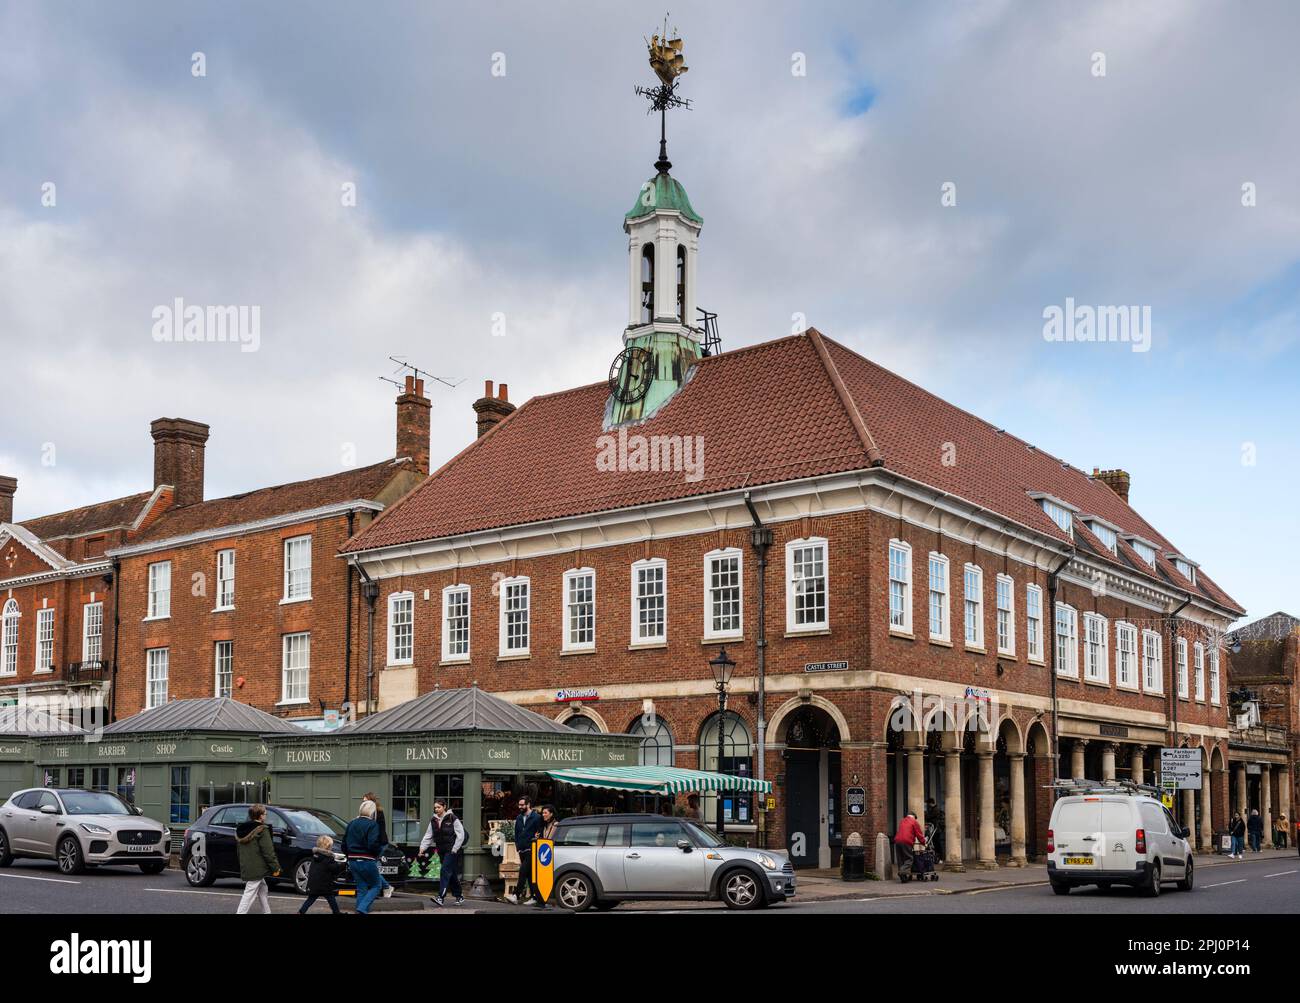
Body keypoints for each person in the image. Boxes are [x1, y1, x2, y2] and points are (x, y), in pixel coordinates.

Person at [419, 799, 466, 906]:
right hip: (441, 850)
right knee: (451, 873)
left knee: (445, 870)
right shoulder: (433, 820)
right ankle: (459, 896)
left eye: (438, 807)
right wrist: (422, 848)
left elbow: (461, 834)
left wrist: (455, 848)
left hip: (452, 850)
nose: (436, 809)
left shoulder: (452, 818)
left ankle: (440, 897)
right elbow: (428, 835)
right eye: (435, 807)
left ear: (444, 807)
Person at [235, 804, 281, 914]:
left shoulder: (241, 829)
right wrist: (275, 867)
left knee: (263, 889)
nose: (266, 816)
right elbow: (268, 852)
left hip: (248, 865)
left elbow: (239, 851)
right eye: (265, 814)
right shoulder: (262, 830)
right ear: (260, 816)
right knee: (249, 893)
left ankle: (267, 912)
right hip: (257, 867)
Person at [344, 800, 384, 915]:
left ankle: (360, 911)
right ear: (372, 812)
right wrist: (378, 853)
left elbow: (344, 843)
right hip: (367, 859)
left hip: (352, 860)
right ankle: (362, 908)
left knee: (362, 887)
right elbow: (373, 844)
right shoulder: (373, 824)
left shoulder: (351, 823)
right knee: (377, 885)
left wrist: (349, 855)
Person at [298, 835, 343, 915]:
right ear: (328, 847)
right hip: (324, 884)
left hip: (313, 883)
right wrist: (342, 866)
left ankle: (301, 911)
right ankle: (336, 912)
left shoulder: (315, 857)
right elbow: (335, 869)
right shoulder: (328, 858)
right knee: (331, 899)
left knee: (310, 899)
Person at [363, 793, 394, 899]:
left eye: (365, 801)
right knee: (371, 867)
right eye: (363, 802)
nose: (363, 803)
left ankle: (385, 886)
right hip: (376, 843)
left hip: (378, 843)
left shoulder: (376, 813)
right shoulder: (374, 812)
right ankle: (382, 887)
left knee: (371, 867)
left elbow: (374, 831)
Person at [512, 796, 541, 905]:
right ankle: (534, 897)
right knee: (529, 874)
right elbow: (517, 833)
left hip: (531, 849)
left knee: (523, 871)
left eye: (522, 805)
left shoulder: (536, 817)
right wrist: (518, 847)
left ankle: (516, 895)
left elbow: (539, 832)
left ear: (528, 805)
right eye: (519, 805)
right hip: (522, 849)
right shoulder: (519, 817)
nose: (520, 807)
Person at [531, 804, 560, 909]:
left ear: (551, 814)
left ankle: (546, 898)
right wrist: (537, 838)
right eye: (542, 813)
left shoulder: (556, 825)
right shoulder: (544, 826)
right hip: (543, 855)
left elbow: (551, 840)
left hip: (551, 854)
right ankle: (541, 899)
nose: (543, 815)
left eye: (545, 813)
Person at [893, 811, 926, 877]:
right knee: (909, 859)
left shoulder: (902, 821)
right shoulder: (914, 822)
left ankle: (903, 876)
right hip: (906, 841)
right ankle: (902, 871)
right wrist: (924, 843)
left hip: (897, 841)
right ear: (913, 817)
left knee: (901, 859)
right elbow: (919, 834)